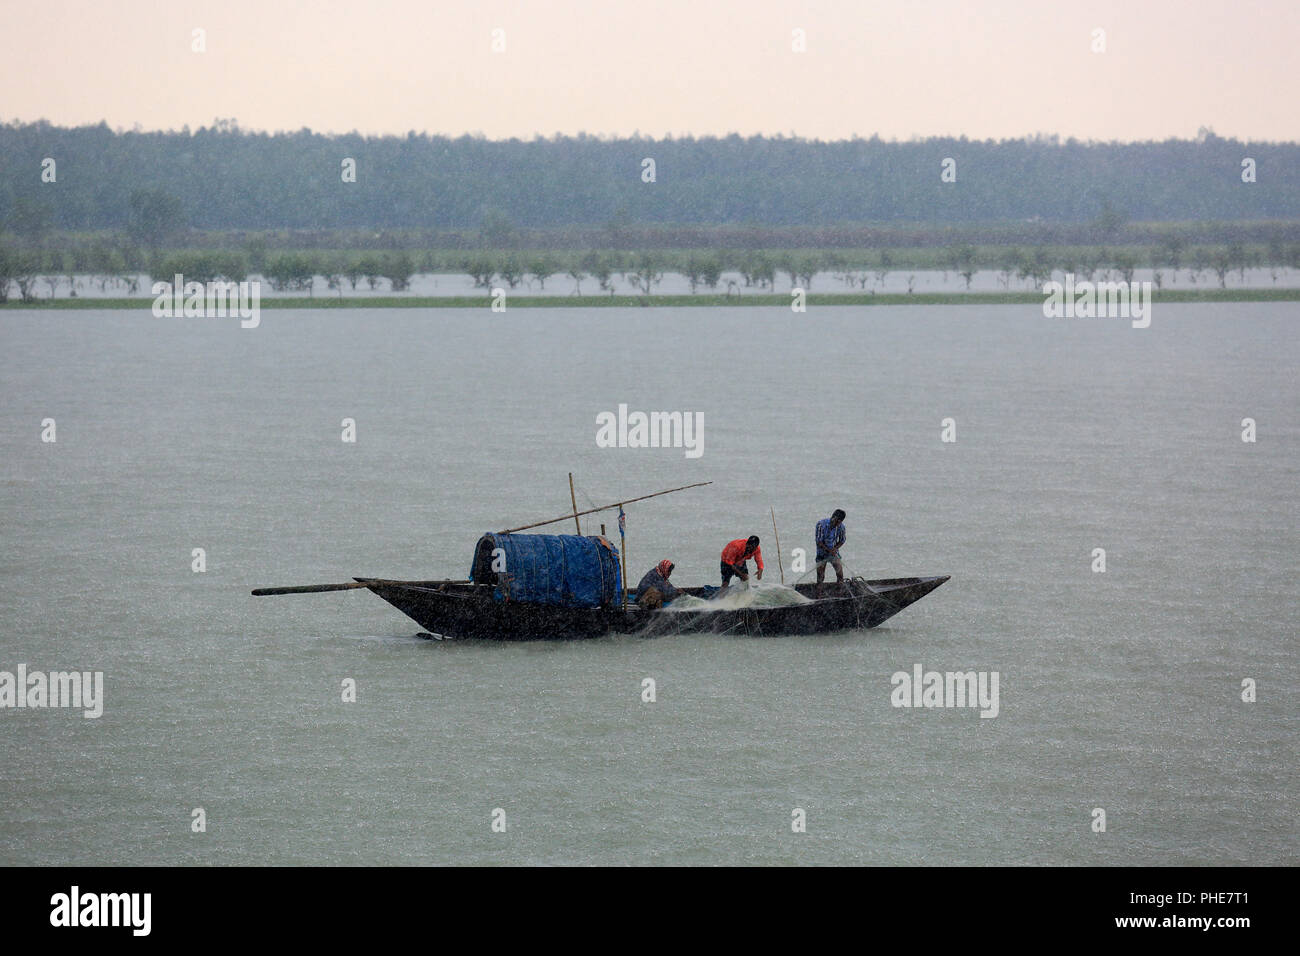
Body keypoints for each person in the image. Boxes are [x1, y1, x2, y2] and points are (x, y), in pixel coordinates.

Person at [815, 509, 847, 598]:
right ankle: (819, 596)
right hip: (821, 554)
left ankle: (839, 595)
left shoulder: (841, 527)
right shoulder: (821, 524)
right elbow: (819, 542)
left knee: (840, 574)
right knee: (820, 577)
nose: (836, 523)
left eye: (839, 522)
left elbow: (842, 540)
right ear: (832, 517)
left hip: (834, 554)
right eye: (835, 520)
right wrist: (829, 550)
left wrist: (835, 548)